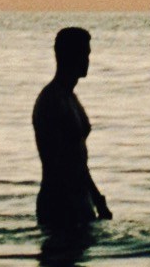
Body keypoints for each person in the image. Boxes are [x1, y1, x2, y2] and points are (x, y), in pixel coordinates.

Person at [33, 25, 111, 251]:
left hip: (80, 199)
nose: (88, 60)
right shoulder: (52, 101)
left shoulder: (70, 98)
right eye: (84, 54)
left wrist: (97, 199)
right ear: (68, 56)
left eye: (88, 54)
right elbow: (60, 161)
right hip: (60, 201)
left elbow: (78, 159)